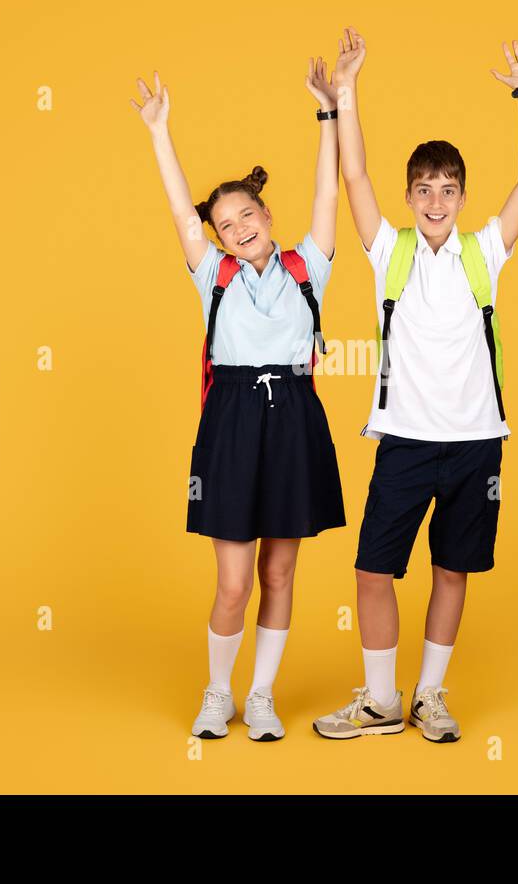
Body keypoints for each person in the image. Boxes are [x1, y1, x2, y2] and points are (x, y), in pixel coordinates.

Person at [313, 27, 518, 742]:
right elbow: (355, 179)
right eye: (425, 189)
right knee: (373, 570)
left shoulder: (485, 253)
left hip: (477, 445)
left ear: (463, 196)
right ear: (412, 196)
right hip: (407, 443)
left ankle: (430, 696)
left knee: (453, 571)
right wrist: (346, 92)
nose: (436, 200)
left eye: (448, 190)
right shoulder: (392, 250)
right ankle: (382, 701)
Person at [131, 60, 346, 741]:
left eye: (246, 214)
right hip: (230, 420)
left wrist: (328, 112)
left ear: (265, 215)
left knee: (279, 568)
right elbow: (176, 210)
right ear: (217, 238)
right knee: (233, 580)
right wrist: (160, 132)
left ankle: (260, 697)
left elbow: (329, 194)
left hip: (294, 419)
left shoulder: (307, 266)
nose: (238, 228)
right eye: (225, 224)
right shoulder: (213, 276)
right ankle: (217, 692)